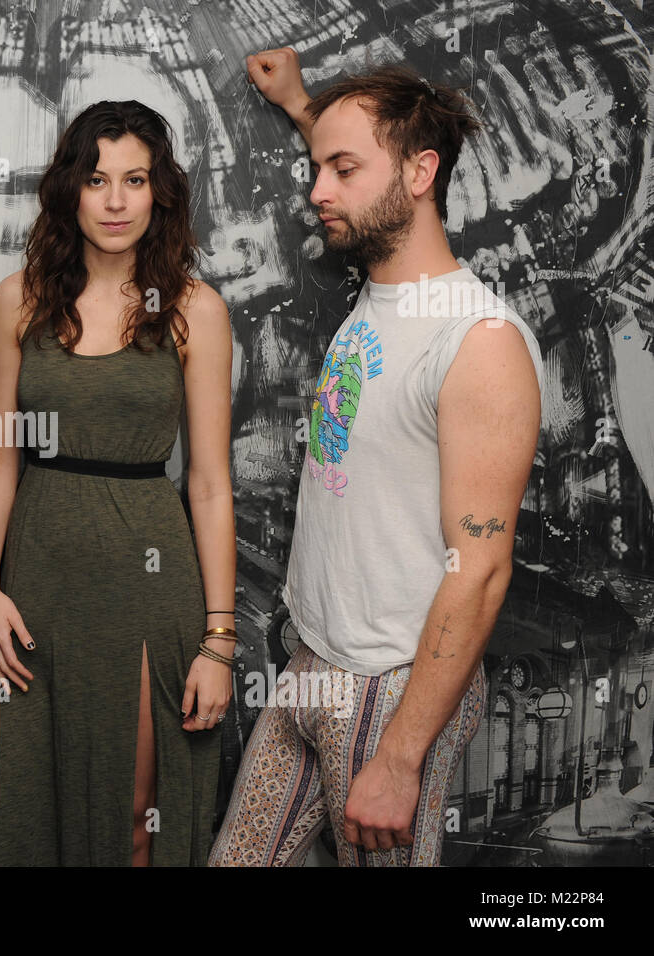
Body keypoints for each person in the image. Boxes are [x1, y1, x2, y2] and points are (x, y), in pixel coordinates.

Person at [210, 49, 545, 866]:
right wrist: (300, 107)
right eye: (315, 167)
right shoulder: (385, 284)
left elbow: (482, 569)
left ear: (421, 171)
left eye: (340, 170)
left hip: (388, 687)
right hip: (313, 659)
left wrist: (398, 758)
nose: (315, 190)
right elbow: (365, 169)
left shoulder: (479, 341)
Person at [0, 100, 237, 866]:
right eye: (96, 180)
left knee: (130, 829)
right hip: (35, 589)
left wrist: (219, 640)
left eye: (135, 179)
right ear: (69, 191)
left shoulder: (194, 311)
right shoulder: (19, 298)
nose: (116, 201)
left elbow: (212, 485)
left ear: (161, 193)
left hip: (147, 592)